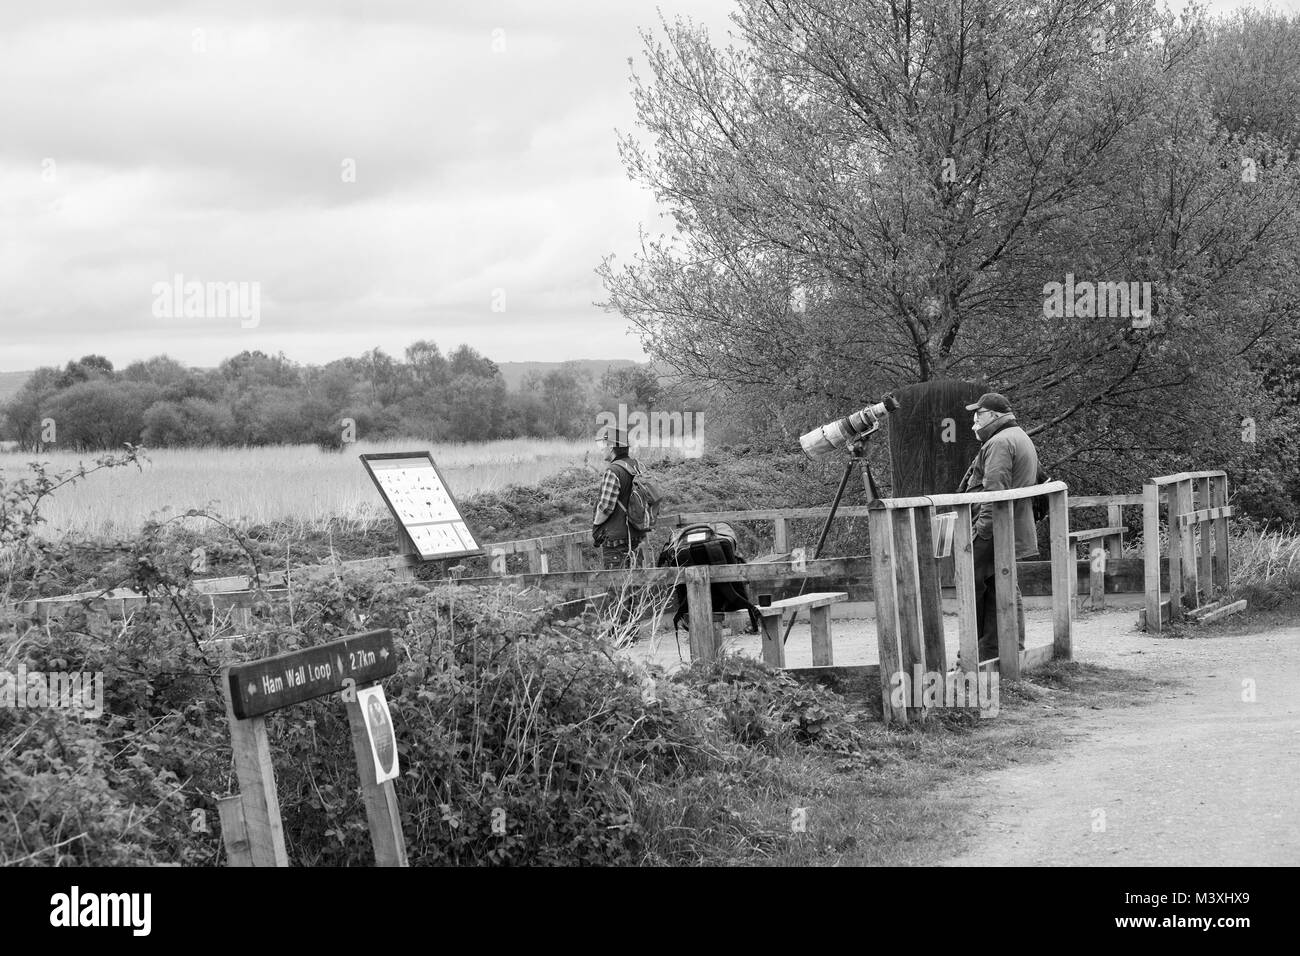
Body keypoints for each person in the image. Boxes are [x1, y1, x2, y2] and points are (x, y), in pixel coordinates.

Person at [958, 392, 1042, 663]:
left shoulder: (1001, 442)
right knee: (1002, 585)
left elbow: (994, 491)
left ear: (993, 416)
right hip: (1006, 525)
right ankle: (1003, 648)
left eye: (978, 415)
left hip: (994, 528)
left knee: (974, 584)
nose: (974, 421)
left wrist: (980, 531)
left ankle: (982, 650)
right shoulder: (1018, 436)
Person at [591, 426, 645, 568]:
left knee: (616, 588)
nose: (601, 448)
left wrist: (596, 527)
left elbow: (605, 508)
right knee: (637, 586)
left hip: (616, 542)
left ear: (611, 447)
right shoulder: (637, 466)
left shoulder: (613, 471)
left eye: (604, 444)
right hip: (636, 536)